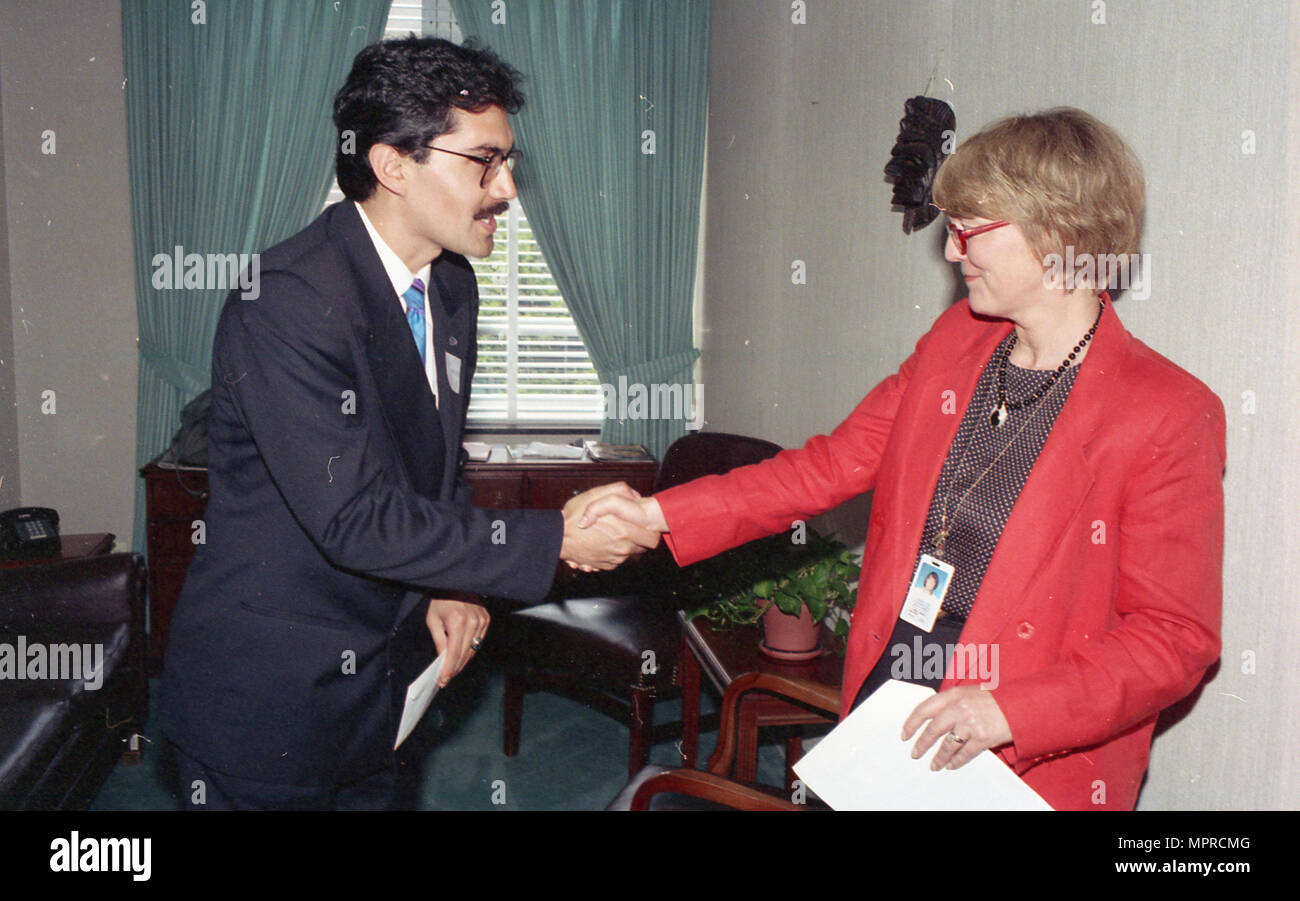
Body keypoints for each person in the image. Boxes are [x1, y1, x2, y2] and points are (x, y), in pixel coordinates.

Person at [580, 108, 1226, 810]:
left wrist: (1011, 711)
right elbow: (827, 466)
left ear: (1060, 236)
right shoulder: (957, 341)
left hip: (1025, 757)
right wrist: (654, 513)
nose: (952, 254)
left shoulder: (1166, 411)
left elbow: (1174, 636)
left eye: (969, 230)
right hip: (891, 703)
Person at [158, 36, 657, 810]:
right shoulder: (287, 300)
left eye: (510, 161)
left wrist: (447, 585)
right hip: (273, 701)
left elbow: (431, 467)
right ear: (393, 165)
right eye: (484, 162)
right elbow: (354, 517)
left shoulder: (451, 287)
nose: (509, 188)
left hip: (389, 686)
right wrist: (554, 539)